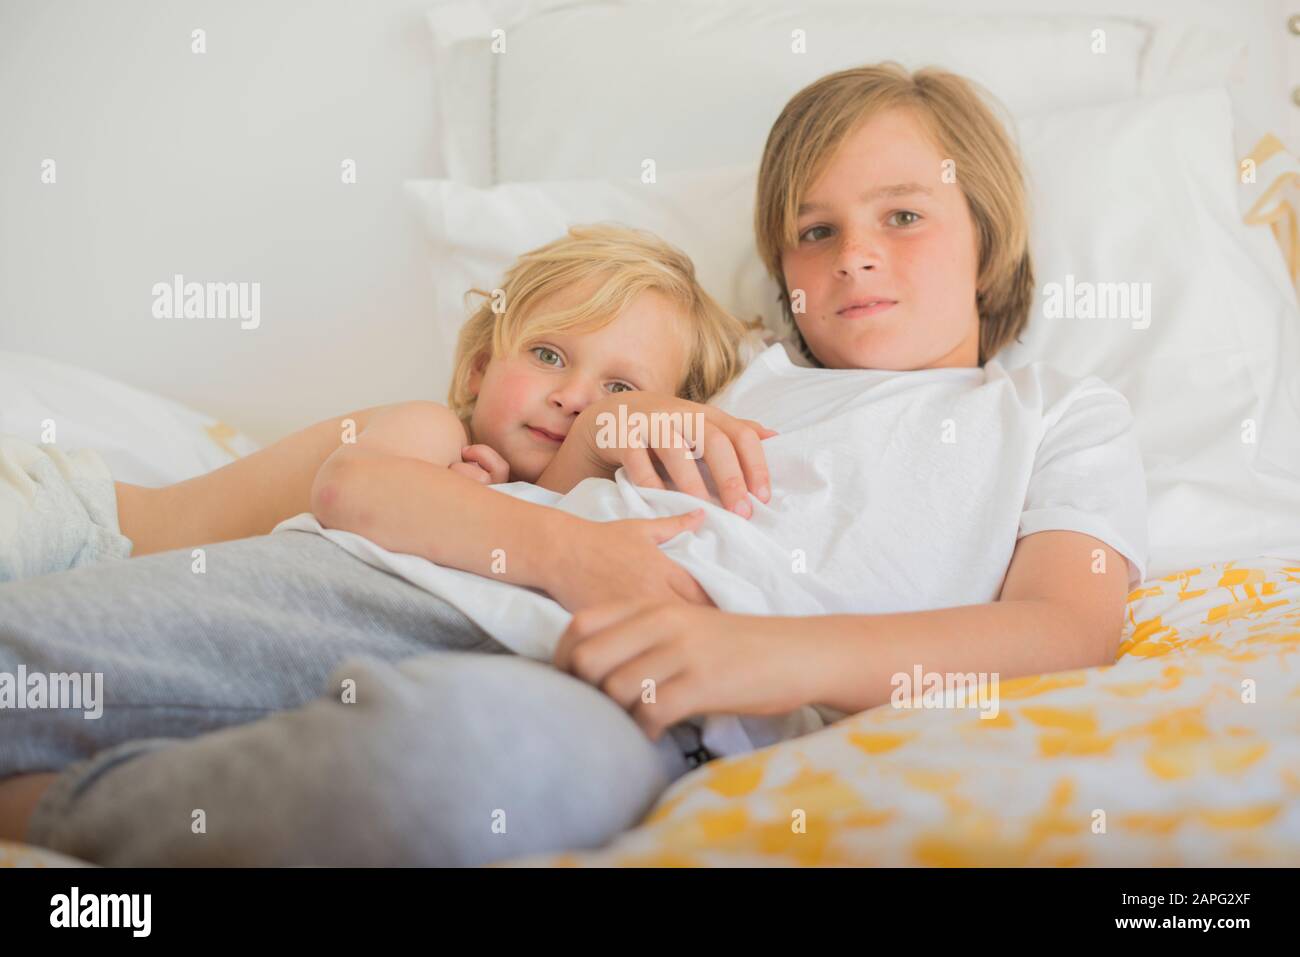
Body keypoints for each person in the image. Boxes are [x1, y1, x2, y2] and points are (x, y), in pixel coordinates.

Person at [0, 64, 1147, 866]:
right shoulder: (736, 373)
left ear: (988, 236)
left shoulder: (1055, 414)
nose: (855, 257)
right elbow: (542, 456)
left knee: (451, 787)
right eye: (814, 230)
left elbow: (1064, 631)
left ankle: (62, 810)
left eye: (903, 216)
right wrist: (606, 441)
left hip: (650, 710)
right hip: (437, 584)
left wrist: (754, 654)